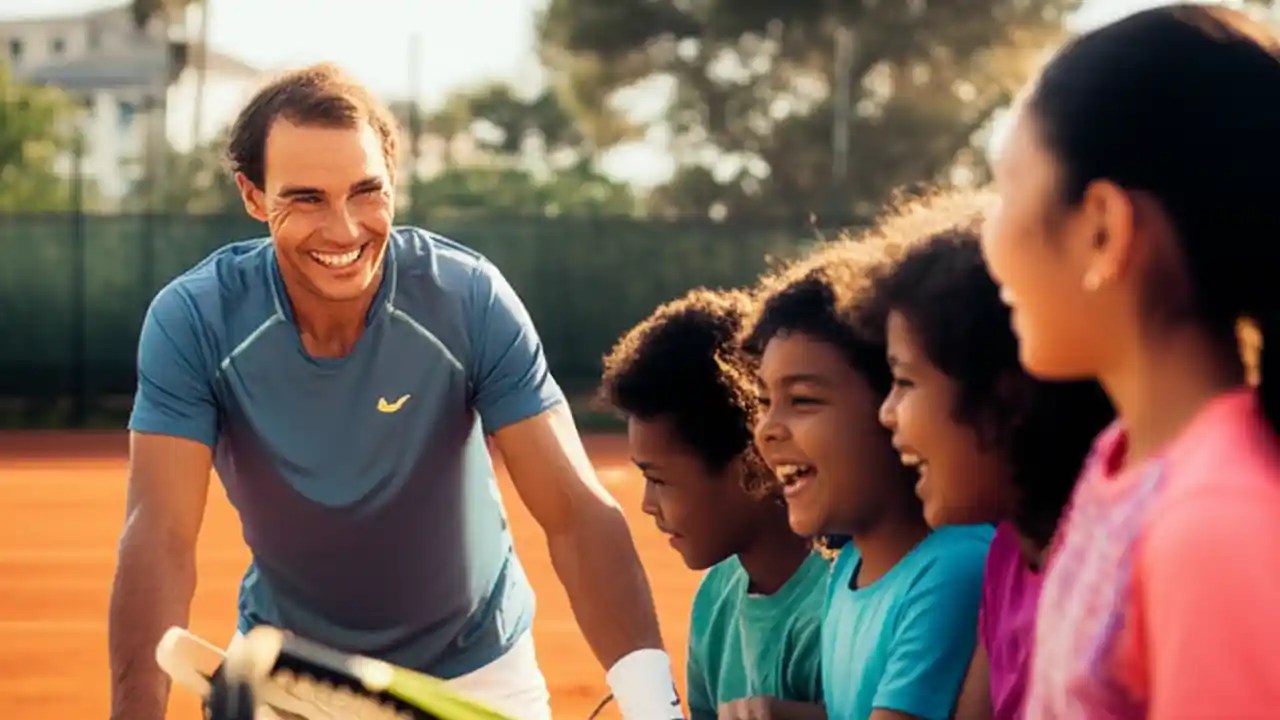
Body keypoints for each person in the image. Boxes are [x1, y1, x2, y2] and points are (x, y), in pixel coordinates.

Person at [107, 63, 681, 720]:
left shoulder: (468, 298)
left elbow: (576, 513)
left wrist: (654, 709)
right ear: (252, 195)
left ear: (393, 182)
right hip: (291, 672)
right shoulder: (194, 320)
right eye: (306, 198)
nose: (345, 230)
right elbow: (160, 536)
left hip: (480, 671)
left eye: (366, 191)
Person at [980, 5, 1280, 717]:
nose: (987, 236)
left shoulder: (1214, 520)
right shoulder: (1123, 457)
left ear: (1104, 230)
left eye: (1003, 190)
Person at [860, 201, 1113, 720]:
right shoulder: (1008, 555)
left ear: (1006, 401)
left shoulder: (1105, 568)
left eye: (905, 381)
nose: (886, 414)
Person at [742, 232, 992, 720]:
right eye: (764, 402)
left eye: (804, 400)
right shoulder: (850, 564)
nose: (768, 429)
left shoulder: (952, 569)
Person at [600, 288, 828, 720]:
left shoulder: (840, 600)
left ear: (752, 465)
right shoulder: (717, 595)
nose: (648, 504)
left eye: (659, 480)